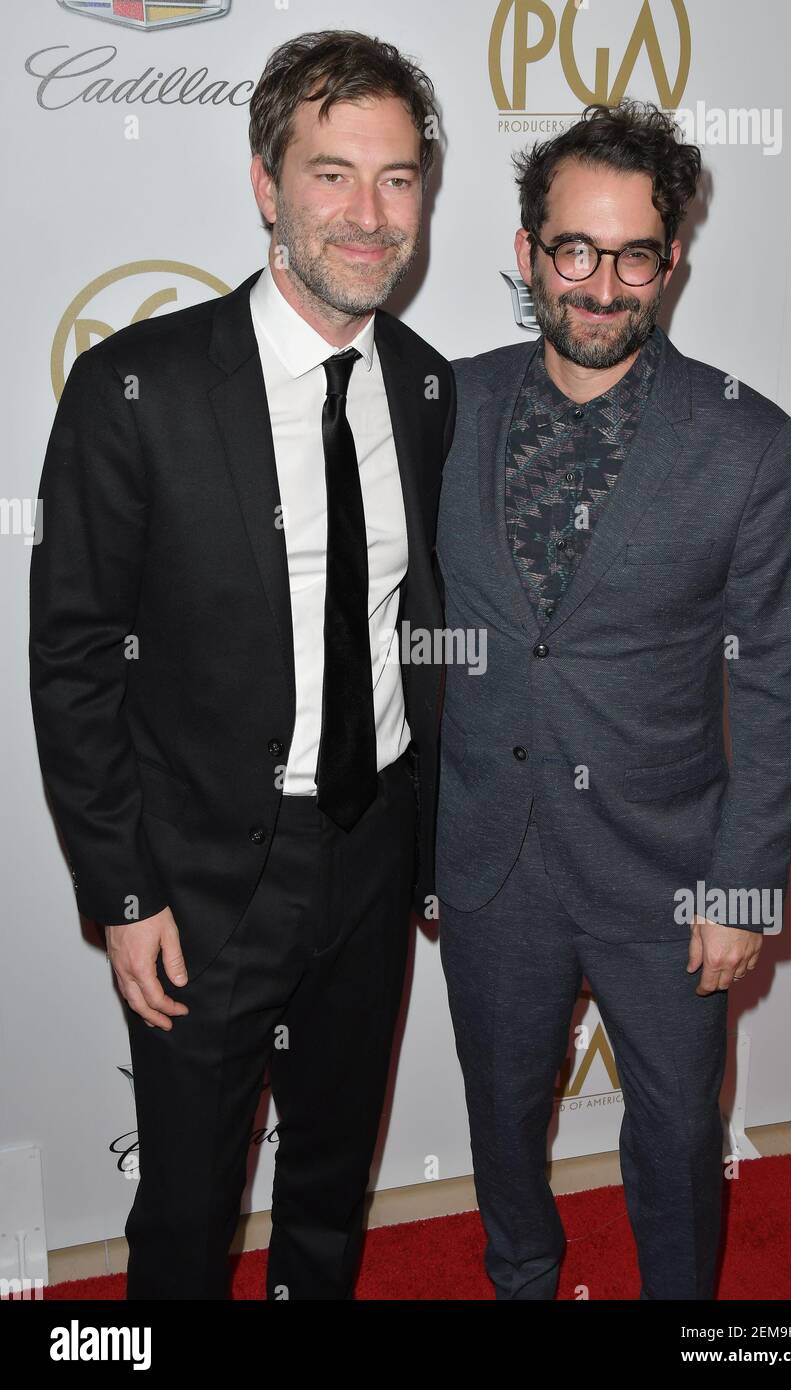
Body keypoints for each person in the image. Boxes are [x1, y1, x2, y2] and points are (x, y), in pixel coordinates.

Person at [29, 29, 454, 1301]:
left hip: (372, 847)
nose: (368, 214)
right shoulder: (132, 388)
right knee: (188, 1205)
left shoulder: (427, 392)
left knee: (330, 1176)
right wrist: (121, 888)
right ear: (266, 185)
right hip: (202, 876)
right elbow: (75, 656)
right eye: (331, 174)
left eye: (395, 178)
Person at [434, 100, 791, 1300]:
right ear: (525, 248)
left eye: (632, 253)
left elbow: (774, 681)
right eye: (572, 250)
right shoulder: (441, 409)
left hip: (672, 870)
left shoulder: (750, 443)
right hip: (488, 858)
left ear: (671, 262)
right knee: (500, 1127)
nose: (599, 285)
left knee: (676, 1137)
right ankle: (523, 1281)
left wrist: (743, 886)